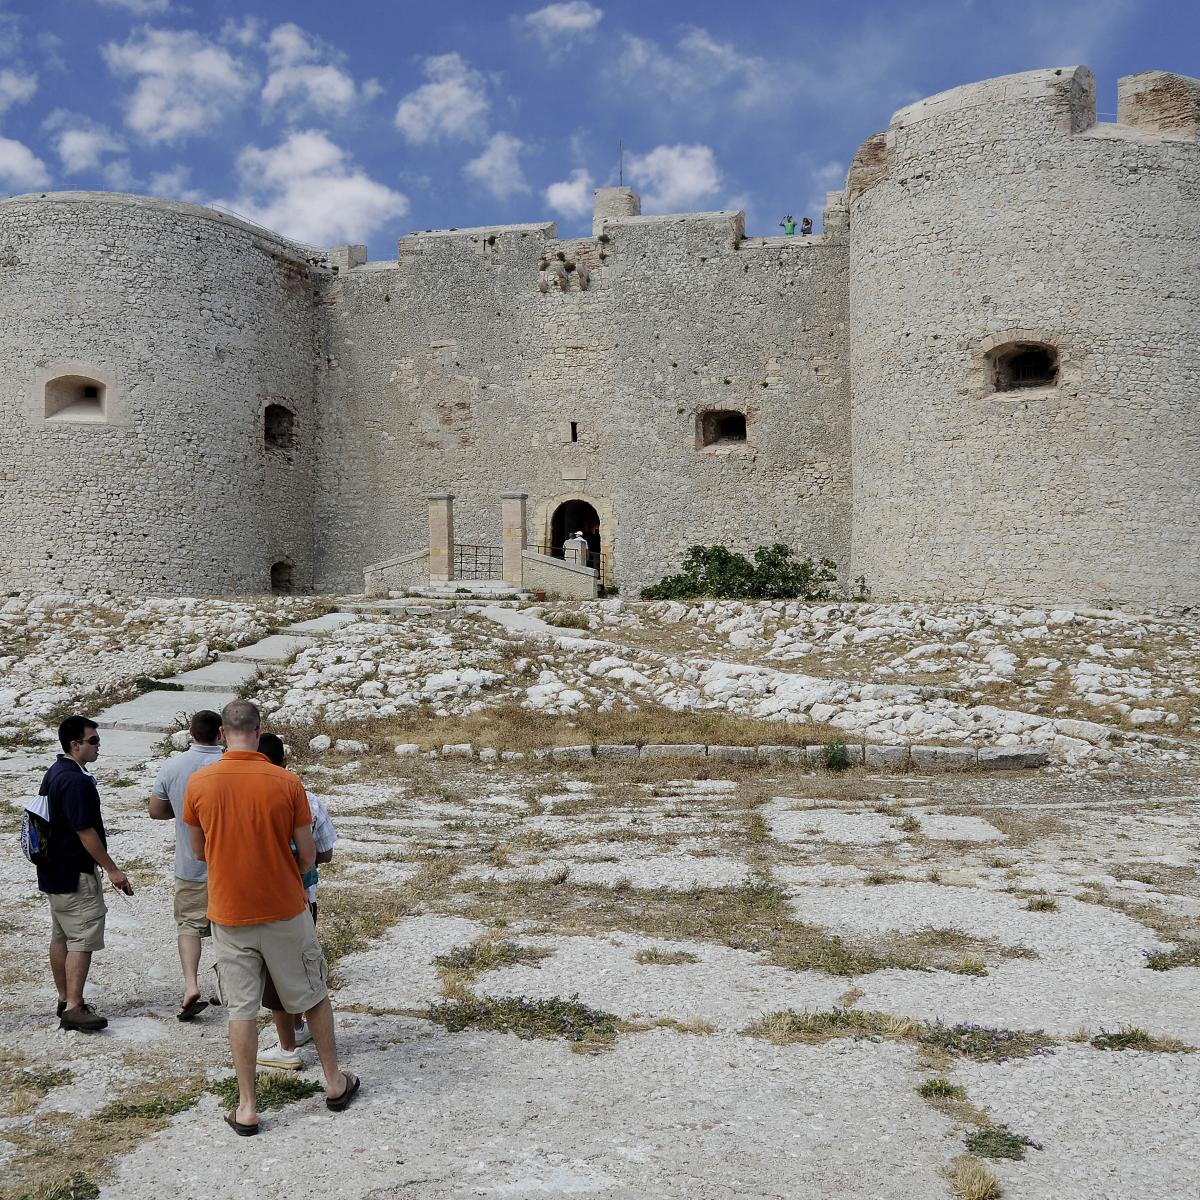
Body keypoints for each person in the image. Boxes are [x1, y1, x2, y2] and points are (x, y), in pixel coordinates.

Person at [183, 700, 358, 1135]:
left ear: (222, 733)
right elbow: (309, 854)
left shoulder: (200, 783)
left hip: (229, 910)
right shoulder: (286, 782)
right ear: (258, 731)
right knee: (312, 993)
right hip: (283, 907)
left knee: (241, 1009)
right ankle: (334, 1082)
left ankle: (246, 1107)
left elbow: (199, 851)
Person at [37, 715, 133, 1032]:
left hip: (54, 870)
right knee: (82, 937)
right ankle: (76, 1006)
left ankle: (64, 998)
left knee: (61, 935)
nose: (98, 746)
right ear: (75, 744)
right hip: (75, 872)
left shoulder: (56, 771)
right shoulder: (76, 781)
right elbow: (84, 830)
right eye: (93, 741)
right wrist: (113, 869)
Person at [255, 732, 338, 1071]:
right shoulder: (307, 797)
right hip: (305, 896)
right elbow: (326, 852)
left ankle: (287, 1046)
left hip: (263, 899)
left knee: (274, 975)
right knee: (303, 964)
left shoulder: (244, 798)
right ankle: (300, 1027)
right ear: (285, 764)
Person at [148, 709, 224, 1021]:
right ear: (221, 733)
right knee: (228, 928)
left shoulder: (173, 766)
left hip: (191, 864)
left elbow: (156, 810)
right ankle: (225, 984)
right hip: (229, 865)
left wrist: (182, 813)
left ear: (190, 731)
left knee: (189, 926)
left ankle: (191, 983)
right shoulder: (229, 766)